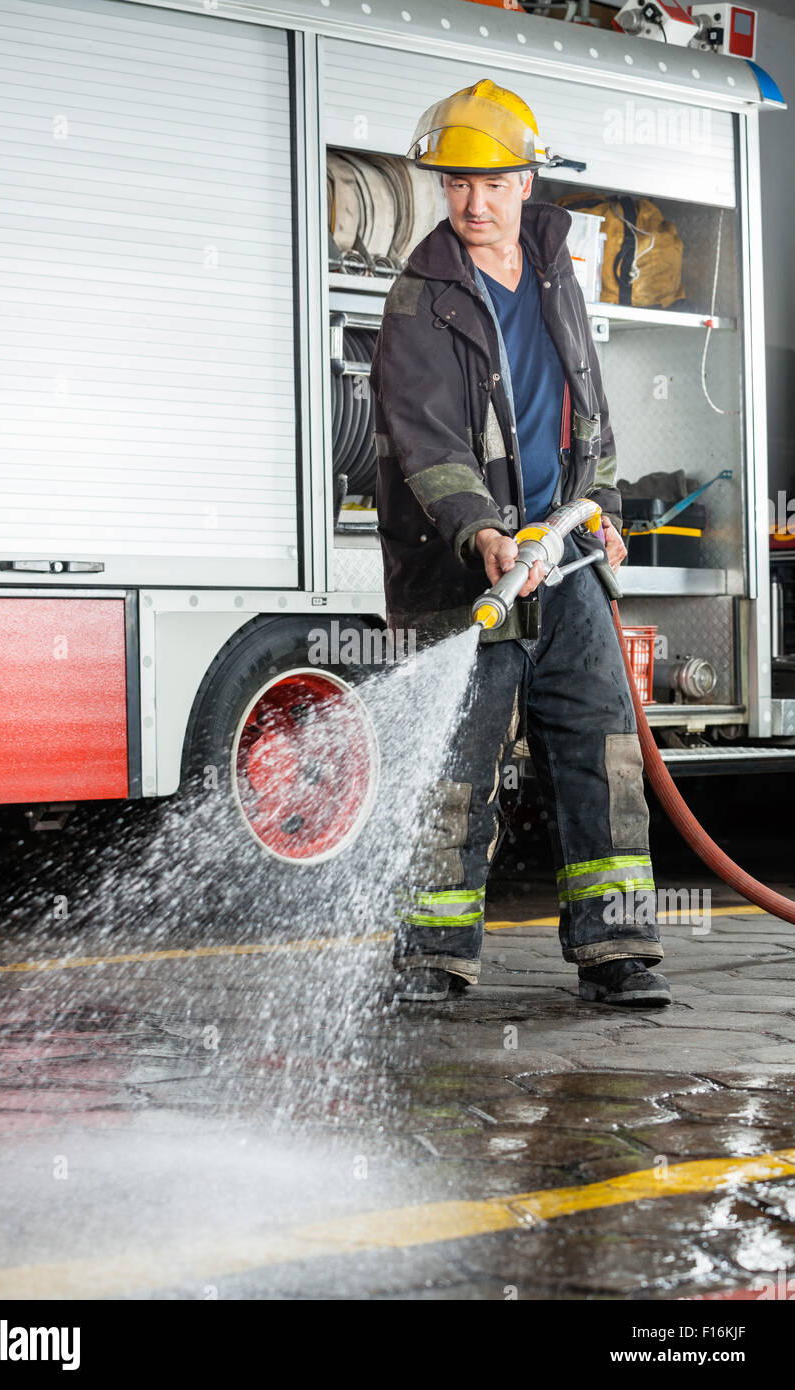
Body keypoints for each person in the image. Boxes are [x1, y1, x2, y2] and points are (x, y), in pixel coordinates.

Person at [370, 79, 670, 1007]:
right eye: (458, 184)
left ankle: (617, 951)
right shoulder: (421, 298)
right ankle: (432, 953)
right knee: (458, 763)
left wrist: (604, 502)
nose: (473, 202)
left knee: (600, 744)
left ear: (527, 184)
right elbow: (425, 439)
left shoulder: (553, 268)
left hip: (566, 556)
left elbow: (589, 404)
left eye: (493, 183)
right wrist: (481, 531)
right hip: (471, 568)